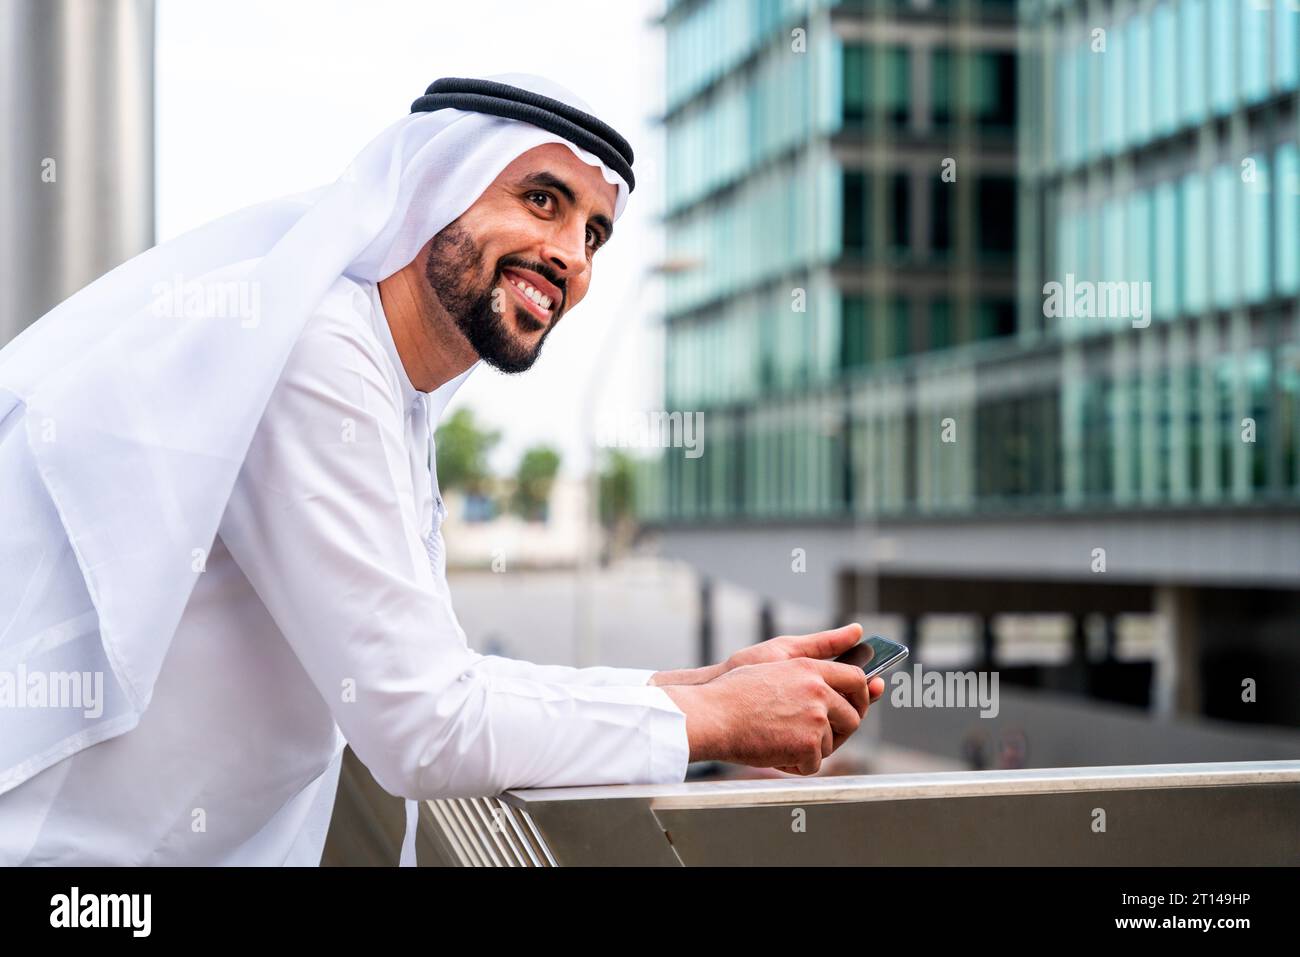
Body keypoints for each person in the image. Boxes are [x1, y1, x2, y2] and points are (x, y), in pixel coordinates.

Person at [0, 74, 883, 865]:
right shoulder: (323, 357)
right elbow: (422, 725)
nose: (573, 256)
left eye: (594, 233)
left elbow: (442, 673)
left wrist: (703, 683)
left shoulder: (394, 393)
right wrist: (718, 721)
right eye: (543, 200)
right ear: (434, 193)